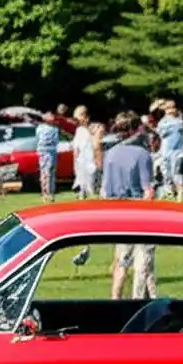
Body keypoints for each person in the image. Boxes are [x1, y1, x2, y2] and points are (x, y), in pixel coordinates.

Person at [101, 129, 157, 300]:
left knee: (122, 262)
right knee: (143, 263)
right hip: (139, 213)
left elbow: (105, 191)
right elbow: (148, 191)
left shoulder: (110, 154)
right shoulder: (142, 155)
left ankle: (115, 300)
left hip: (118, 214)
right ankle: (138, 302)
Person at [71, 105, 99, 198]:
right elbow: (77, 147)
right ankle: (83, 193)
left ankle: (86, 193)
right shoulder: (82, 129)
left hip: (87, 158)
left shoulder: (85, 129)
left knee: (87, 177)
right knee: (84, 178)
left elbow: (77, 148)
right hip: (85, 158)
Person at [35, 110, 60, 203]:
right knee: (47, 173)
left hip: (47, 151)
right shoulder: (50, 129)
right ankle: (47, 193)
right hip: (47, 152)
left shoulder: (43, 128)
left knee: (47, 172)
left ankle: (48, 193)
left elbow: (38, 138)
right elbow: (56, 141)